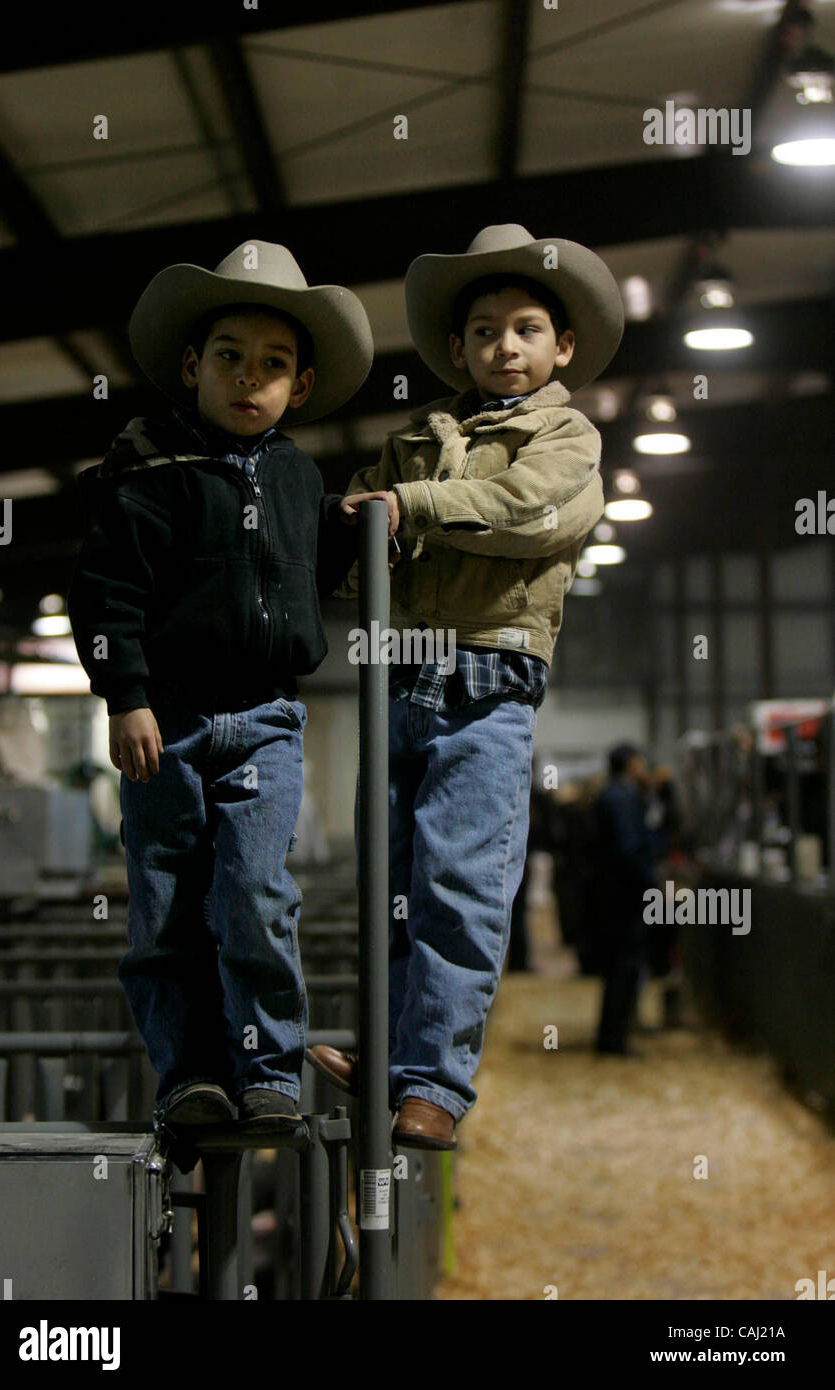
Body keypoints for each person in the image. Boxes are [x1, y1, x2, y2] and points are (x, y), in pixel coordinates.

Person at [309, 223, 624, 1148]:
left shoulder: (566, 436)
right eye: (484, 331)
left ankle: (437, 1088)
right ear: (456, 349)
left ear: (562, 346)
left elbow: (527, 513)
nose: (505, 347)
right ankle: (394, 1056)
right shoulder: (415, 438)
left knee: (461, 883)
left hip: (489, 675)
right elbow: (346, 545)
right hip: (398, 672)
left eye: (527, 328)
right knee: (394, 882)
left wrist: (410, 514)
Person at [66, 239, 372, 1131]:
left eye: (274, 365)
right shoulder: (149, 474)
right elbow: (105, 594)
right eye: (230, 358)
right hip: (165, 718)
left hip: (269, 717)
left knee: (255, 892)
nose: (250, 378)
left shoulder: (298, 476)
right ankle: (188, 1076)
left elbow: (299, 551)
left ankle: (267, 1067)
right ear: (193, 367)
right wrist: (124, 695)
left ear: (300, 389)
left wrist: (344, 525)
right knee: (163, 900)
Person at [593, 743, 656, 1056]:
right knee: (623, 966)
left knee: (622, 966)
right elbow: (628, 849)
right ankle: (613, 1039)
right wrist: (653, 883)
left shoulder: (618, 795)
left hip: (618, 892)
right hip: (625, 895)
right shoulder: (620, 798)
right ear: (630, 764)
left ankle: (615, 1034)